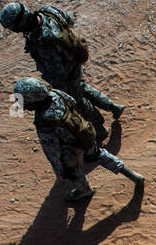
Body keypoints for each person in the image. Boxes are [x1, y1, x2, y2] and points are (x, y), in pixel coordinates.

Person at [14, 78, 142, 203]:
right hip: (83, 132)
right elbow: (73, 102)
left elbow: (52, 150)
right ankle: (133, 175)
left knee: (74, 171)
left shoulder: (44, 121)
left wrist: (60, 171)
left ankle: (84, 190)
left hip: (70, 148)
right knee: (99, 154)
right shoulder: (55, 93)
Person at [0, 2, 125, 126]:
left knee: (78, 100)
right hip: (74, 57)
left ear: (21, 23)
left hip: (67, 72)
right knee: (81, 87)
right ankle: (113, 107)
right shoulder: (47, 11)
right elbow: (69, 21)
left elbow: (58, 72)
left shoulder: (43, 41)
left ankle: (99, 126)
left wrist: (61, 92)